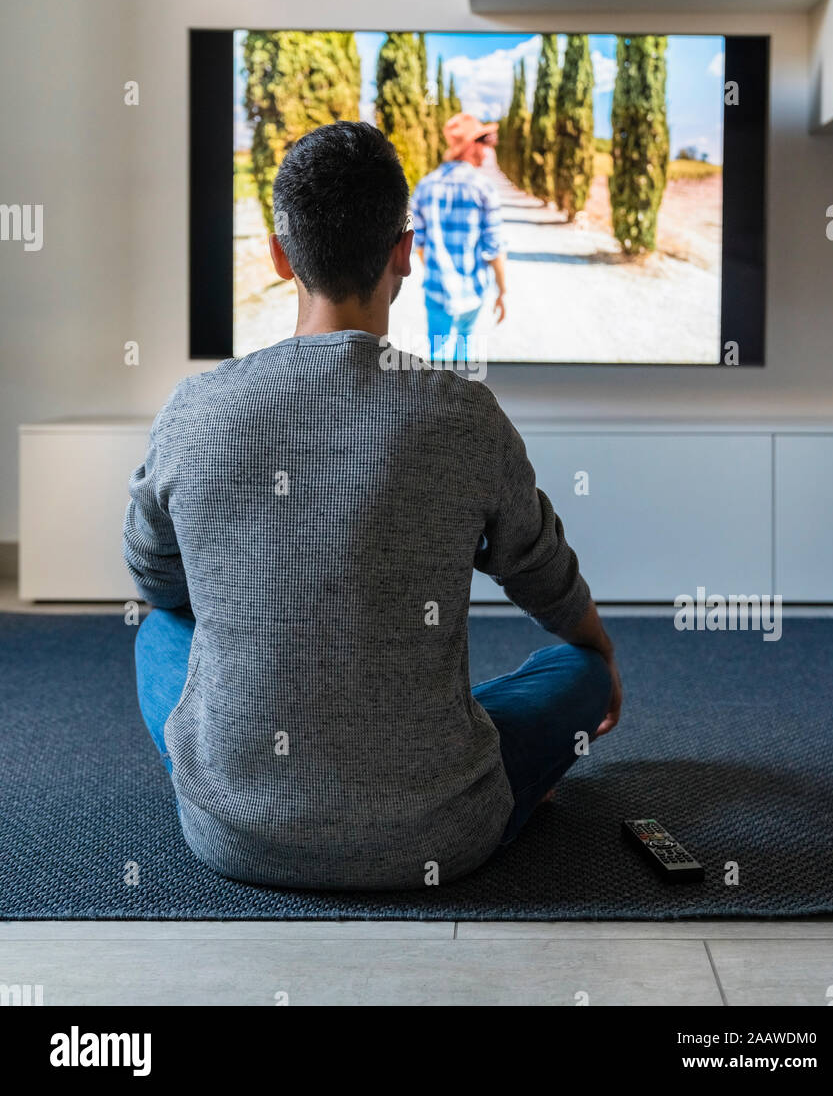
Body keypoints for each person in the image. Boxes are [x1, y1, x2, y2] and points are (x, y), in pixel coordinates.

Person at [125, 120, 622, 891]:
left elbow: (155, 578)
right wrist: (602, 656)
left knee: (161, 630)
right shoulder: (463, 415)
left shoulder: (194, 411)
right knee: (573, 669)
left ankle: (227, 774)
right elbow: (544, 578)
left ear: (281, 254)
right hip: (437, 837)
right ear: (403, 250)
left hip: (231, 838)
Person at [410, 112, 507, 363]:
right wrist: (502, 290)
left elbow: (418, 244)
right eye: (484, 144)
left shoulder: (426, 186)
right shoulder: (483, 188)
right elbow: (494, 248)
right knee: (464, 357)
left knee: (437, 358)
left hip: (436, 290)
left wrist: (438, 269)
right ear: (472, 146)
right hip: (472, 291)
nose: (487, 151)